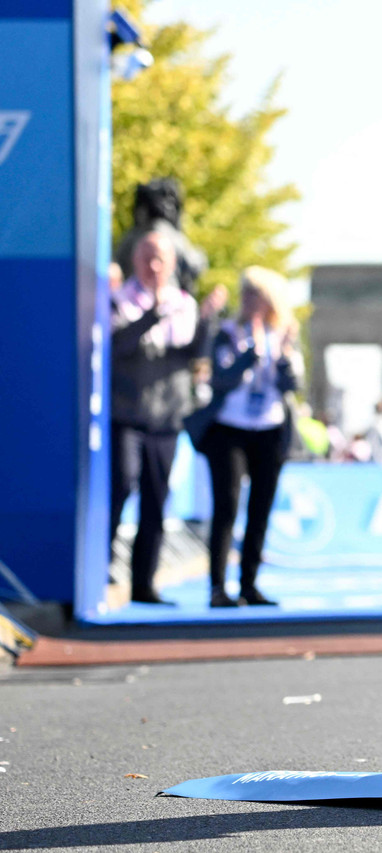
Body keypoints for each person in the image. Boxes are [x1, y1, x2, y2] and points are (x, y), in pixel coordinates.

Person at [110, 232, 221, 606]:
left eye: (160, 258)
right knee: (121, 484)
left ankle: (144, 582)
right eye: (146, 257)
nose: (153, 266)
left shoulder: (184, 304)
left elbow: (194, 353)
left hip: (166, 419)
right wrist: (152, 312)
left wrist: (206, 320)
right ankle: (103, 562)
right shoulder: (118, 299)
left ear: (172, 263)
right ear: (135, 260)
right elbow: (119, 345)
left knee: (157, 501)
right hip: (127, 414)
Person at [199, 267, 300, 609]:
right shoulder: (228, 333)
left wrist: (283, 356)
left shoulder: (284, 334)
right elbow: (222, 379)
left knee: (260, 508)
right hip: (229, 428)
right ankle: (217, 586)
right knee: (226, 506)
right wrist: (249, 353)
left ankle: (249, 584)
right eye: (245, 293)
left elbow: (291, 387)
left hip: (269, 431)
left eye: (257, 294)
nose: (249, 300)